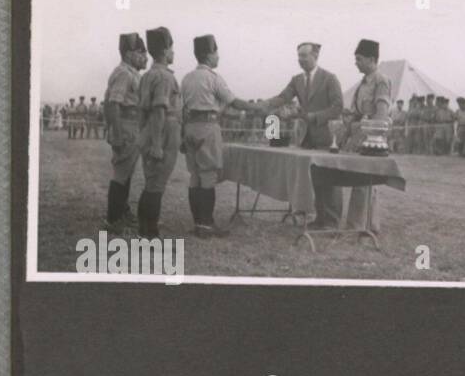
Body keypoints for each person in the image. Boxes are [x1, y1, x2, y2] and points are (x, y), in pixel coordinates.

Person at [180, 34, 259, 236]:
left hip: (190, 127)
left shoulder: (187, 78)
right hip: (207, 127)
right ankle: (207, 225)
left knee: (195, 177)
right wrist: (256, 107)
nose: (218, 57)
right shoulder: (213, 78)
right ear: (208, 55)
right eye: (216, 53)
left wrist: (182, 135)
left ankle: (198, 223)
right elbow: (234, 102)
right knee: (208, 176)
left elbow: (182, 108)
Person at [261, 42, 345, 227]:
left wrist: (315, 117)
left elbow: (338, 107)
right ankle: (320, 218)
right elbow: (283, 97)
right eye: (298, 56)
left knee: (330, 179)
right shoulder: (296, 79)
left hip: (326, 137)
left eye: (304, 56)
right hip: (306, 138)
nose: (300, 60)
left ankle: (332, 221)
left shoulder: (330, 78)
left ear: (315, 56)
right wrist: (265, 105)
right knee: (315, 179)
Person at [337, 38, 393, 240]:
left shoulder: (381, 82)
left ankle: (359, 226)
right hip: (359, 135)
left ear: (371, 59)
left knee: (365, 181)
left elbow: (382, 113)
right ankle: (367, 225)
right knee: (361, 181)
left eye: (359, 59)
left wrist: (374, 139)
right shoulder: (362, 84)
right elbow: (354, 113)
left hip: (372, 138)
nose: (356, 63)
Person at [135, 27, 181, 237]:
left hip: (149, 130)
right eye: (172, 48)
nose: (173, 53)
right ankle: (150, 233)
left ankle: (144, 228)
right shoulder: (164, 77)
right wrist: (156, 144)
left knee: (151, 182)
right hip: (163, 131)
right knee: (156, 184)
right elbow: (159, 110)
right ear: (164, 50)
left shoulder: (147, 75)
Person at [102, 31, 147, 232]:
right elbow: (113, 104)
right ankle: (113, 219)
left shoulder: (130, 73)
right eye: (140, 52)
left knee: (127, 172)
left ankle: (122, 210)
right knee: (121, 174)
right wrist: (117, 134)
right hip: (126, 125)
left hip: (131, 125)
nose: (144, 57)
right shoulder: (124, 73)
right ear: (129, 54)